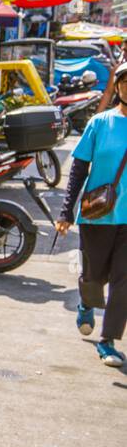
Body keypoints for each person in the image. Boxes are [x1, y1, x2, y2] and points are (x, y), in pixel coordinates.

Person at [56, 61, 127, 368]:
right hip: (98, 215)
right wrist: (66, 211)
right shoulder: (100, 123)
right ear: (119, 87)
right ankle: (86, 302)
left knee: (124, 281)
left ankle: (108, 341)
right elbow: (78, 170)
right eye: (125, 81)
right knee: (95, 276)